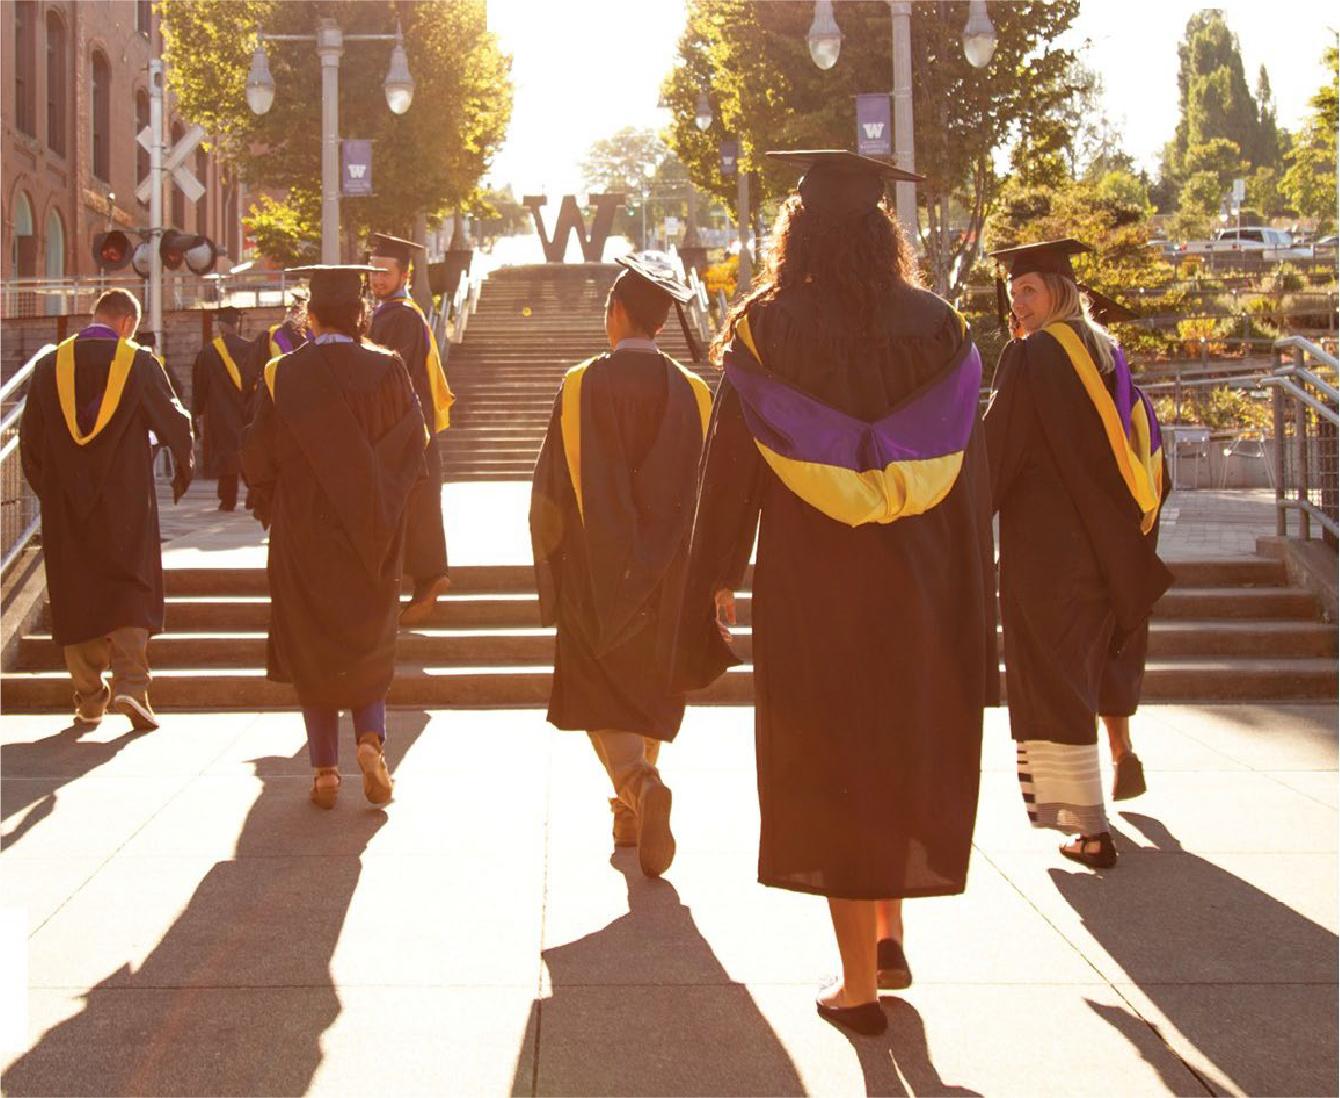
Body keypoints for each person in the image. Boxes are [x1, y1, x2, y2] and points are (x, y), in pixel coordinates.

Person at [675, 151, 997, 1036]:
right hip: (922, 575)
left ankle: (858, 985)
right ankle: (891, 930)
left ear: (799, 232)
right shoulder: (940, 328)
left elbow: (730, 469)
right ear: (882, 234)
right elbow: (968, 475)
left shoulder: (766, 332)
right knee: (900, 743)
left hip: (814, 583)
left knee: (832, 762)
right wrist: (974, 588)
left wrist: (714, 575)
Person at [983, 239, 1172, 871]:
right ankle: (1090, 816)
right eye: (1014, 296)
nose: (1020, 306)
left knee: (1054, 679)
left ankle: (1089, 829)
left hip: (1046, 554)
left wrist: (954, 512)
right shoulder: (1105, 355)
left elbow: (999, 447)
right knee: (1077, 677)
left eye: (1029, 291)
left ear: (1058, 293)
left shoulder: (1033, 355)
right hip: (1100, 550)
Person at [530, 254, 712, 878]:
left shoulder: (581, 383)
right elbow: (707, 492)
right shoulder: (695, 393)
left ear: (615, 313)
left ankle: (637, 786)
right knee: (648, 690)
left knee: (598, 691)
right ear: (661, 322)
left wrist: (551, 563)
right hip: (668, 579)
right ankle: (630, 810)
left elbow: (552, 486)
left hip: (593, 574)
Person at [241, 265, 428, 810]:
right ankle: (370, 740)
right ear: (361, 315)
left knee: (313, 643)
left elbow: (258, 457)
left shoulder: (282, 374)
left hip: (304, 534)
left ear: (311, 317)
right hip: (371, 530)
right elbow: (413, 446)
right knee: (367, 636)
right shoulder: (389, 368)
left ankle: (325, 771)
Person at [19, 288, 194, 731]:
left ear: (96, 316)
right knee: (129, 586)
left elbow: (31, 441)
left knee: (77, 589)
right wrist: (182, 465)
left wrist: (53, 491)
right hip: (126, 501)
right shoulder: (137, 362)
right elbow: (174, 421)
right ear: (127, 324)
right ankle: (133, 687)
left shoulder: (47, 366)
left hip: (67, 504)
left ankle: (90, 696)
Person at [367, 233, 456, 625]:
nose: (377, 279)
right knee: (414, 505)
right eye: (373, 272)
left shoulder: (400, 316)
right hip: (409, 428)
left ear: (405, 273)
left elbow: (390, 375)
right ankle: (427, 578)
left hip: (405, 429)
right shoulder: (394, 313)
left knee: (412, 506)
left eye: (385, 272)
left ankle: (430, 578)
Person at [191, 305, 258, 511]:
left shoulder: (209, 352)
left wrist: (197, 411)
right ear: (237, 324)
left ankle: (227, 499)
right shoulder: (252, 349)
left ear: (219, 325)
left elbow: (199, 385)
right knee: (247, 453)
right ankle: (254, 496)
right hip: (247, 412)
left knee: (226, 455)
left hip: (220, 413)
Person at [250, 288, 309, 377]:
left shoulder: (314, 337)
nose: (293, 313)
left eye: (298, 309)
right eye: (291, 309)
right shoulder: (270, 336)